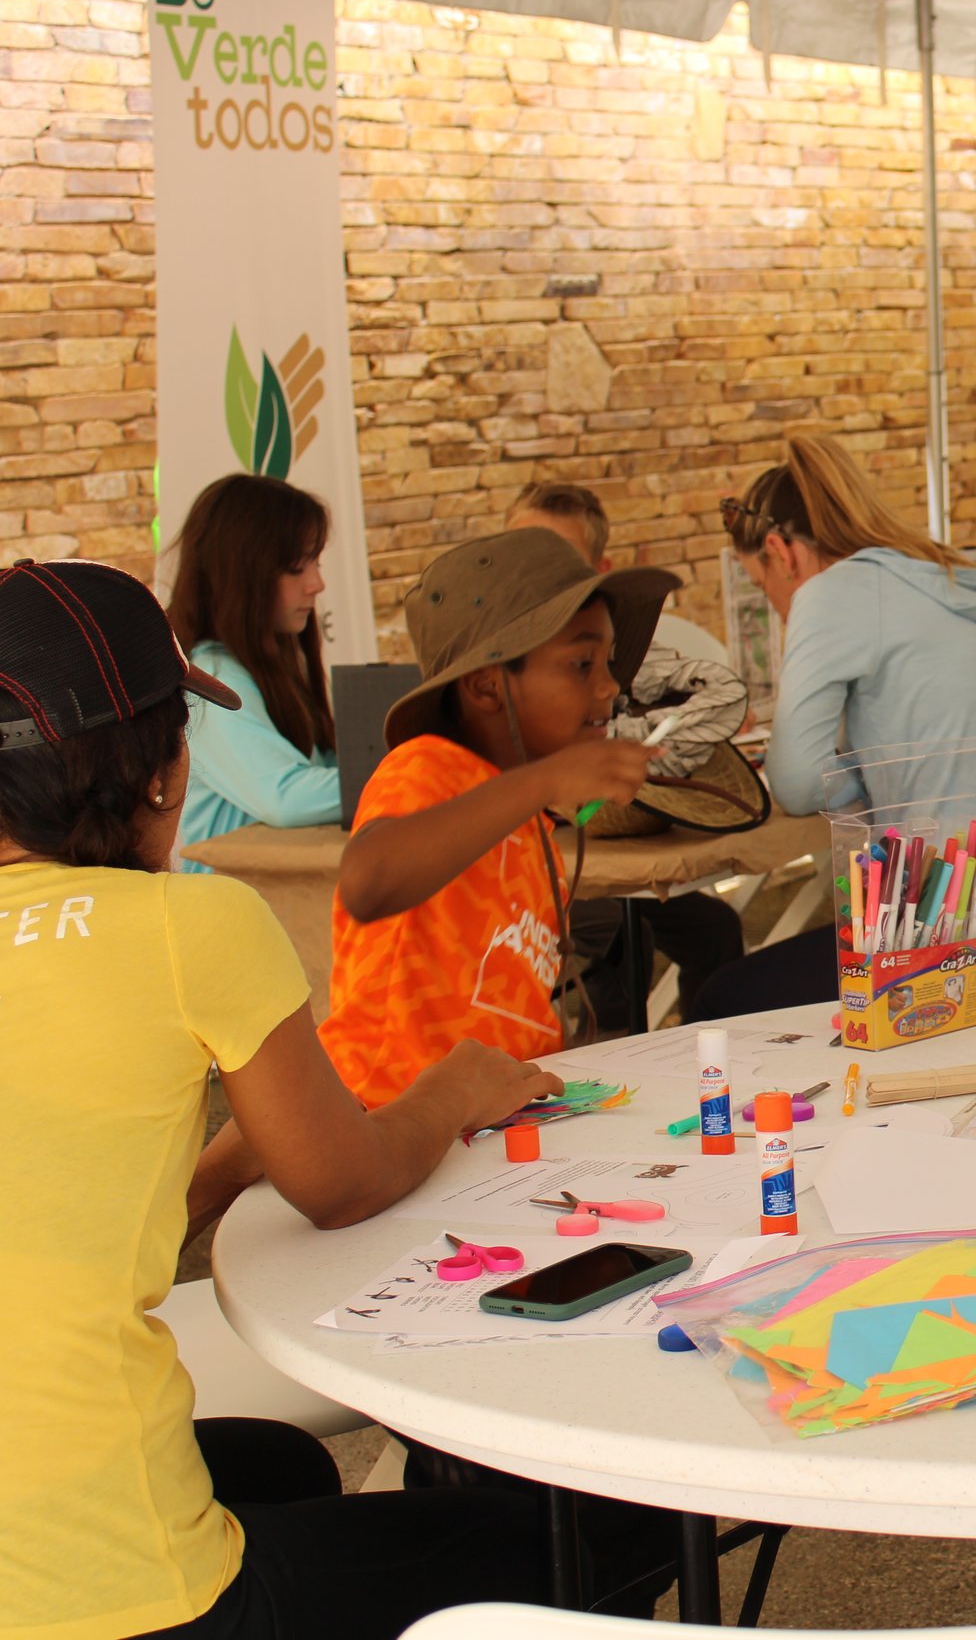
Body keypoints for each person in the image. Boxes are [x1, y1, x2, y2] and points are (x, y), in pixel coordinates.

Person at [0, 555, 577, 1640]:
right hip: (113, 1593)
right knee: (528, 1546)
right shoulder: (191, 925)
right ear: (157, 767)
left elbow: (64, 1208)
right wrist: (452, 1082)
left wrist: (233, 1157)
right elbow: (345, 1184)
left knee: (280, 1464)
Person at [689, 434, 976, 1013]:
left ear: (780, 552)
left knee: (724, 1000)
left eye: (766, 587)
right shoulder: (952, 574)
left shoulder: (831, 593)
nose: (778, 603)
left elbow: (793, 783)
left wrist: (852, 773)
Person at [316, 529, 675, 1107]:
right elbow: (368, 881)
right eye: (582, 663)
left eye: (607, 662)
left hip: (488, 1121)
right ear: (486, 685)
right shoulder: (427, 767)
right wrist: (546, 780)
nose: (610, 686)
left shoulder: (524, 819)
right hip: (386, 1114)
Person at [503, 482, 748, 1028]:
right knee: (616, 932)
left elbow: (700, 698)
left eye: (559, 565)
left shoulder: (621, 652)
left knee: (713, 930)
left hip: (606, 853)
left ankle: (706, 1065)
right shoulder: (494, 669)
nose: (539, 580)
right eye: (523, 559)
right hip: (535, 871)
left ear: (599, 569)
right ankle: (609, 1072)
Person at [163, 474, 341, 869]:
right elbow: (286, 798)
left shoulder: (269, 663)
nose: (316, 583)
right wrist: (415, 778)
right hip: (229, 914)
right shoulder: (208, 678)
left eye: (316, 562)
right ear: (241, 572)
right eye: (296, 567)